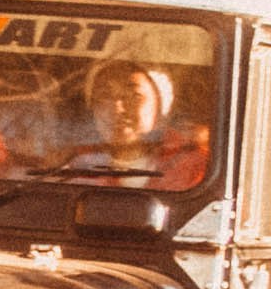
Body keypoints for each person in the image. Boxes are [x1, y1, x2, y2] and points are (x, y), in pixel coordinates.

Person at [63, 60, 210, 191]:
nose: (117, 108)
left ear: (160, 106)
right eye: (105, 96)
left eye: (134, 96)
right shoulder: (73, 170)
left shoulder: (199, 168)